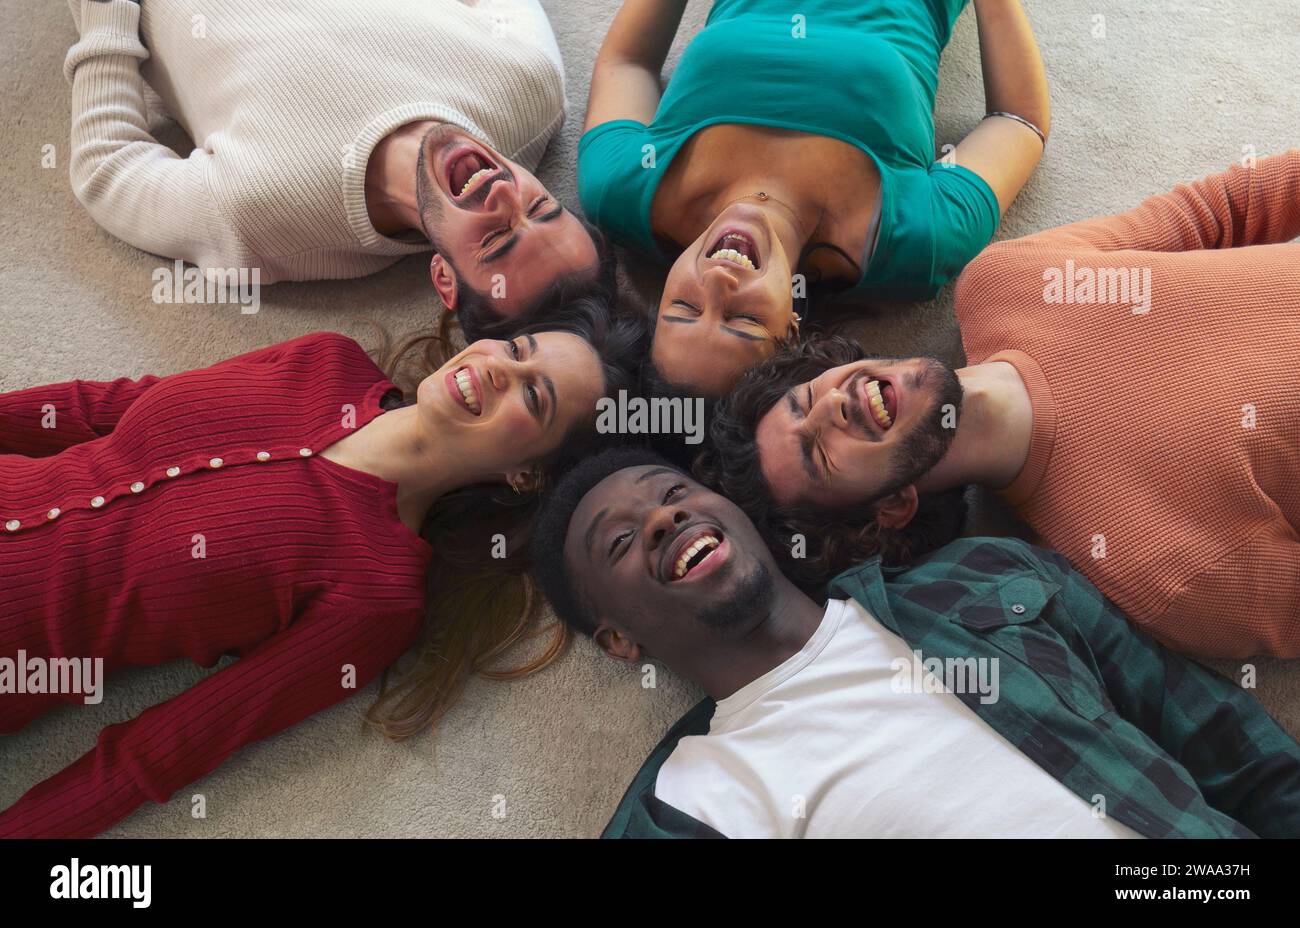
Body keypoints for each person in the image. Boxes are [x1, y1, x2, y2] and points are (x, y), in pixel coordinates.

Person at [0, 302, 643, 837]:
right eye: (517, 346)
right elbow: (98, 408)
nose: (498, 366)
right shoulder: (323, 359)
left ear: (526, 474)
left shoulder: (376, 595)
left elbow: (166, 748)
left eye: (533, 394)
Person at [699, 150, 1300, 658]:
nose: (831, 407)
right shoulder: (1151, 564)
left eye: (805, 400)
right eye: (818, 455)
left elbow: (1219, 211)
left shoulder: (1001, 282)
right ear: (890, 507)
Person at [531, 449, 1300, 838]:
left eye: (674, 496)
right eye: (622, 540)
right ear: (619, 640)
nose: (664, 519)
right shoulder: (686, 803)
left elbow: (1219, 737)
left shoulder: (979, 578)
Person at [579, 0, 1049, 395]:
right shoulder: (912, 240)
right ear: (792, 330)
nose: (719, 282)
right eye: (743, 319)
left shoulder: (621, 187)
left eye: (684, 308)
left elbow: (628, 63)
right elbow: (1017, 121)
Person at [65, 0, 612, 340]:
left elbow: (106, 170)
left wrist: (107, 16)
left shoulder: (266, 219)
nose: (504, 195)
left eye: (496, 241)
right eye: (542, 206)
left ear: (444, 279)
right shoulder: (530, 89)